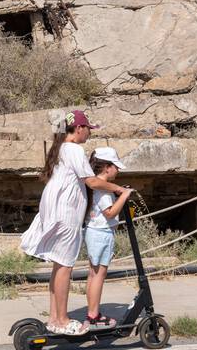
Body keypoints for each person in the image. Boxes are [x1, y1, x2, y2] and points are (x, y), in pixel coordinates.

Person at [20, 109, 129, 334]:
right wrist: (119, 189)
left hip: (56, 209)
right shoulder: (74, 149)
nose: (89, 134)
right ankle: (61, 320)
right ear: (79, 128)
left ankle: (54, 317)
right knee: (65, 266)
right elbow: (92, 182)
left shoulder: (61, 148)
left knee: (59, 264)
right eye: (88, 129)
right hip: (65, 213)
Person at [83, 147, 132, 329]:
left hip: (94, 232)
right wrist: (124, 196)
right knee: (99, 275)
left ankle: (92, 312)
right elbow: (110, 213)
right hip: (101, 233)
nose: (117, 171)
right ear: (106, 167)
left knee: (93, 274)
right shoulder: (103, 191)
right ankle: (94, 315)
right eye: (115, 167)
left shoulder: (100, 187)